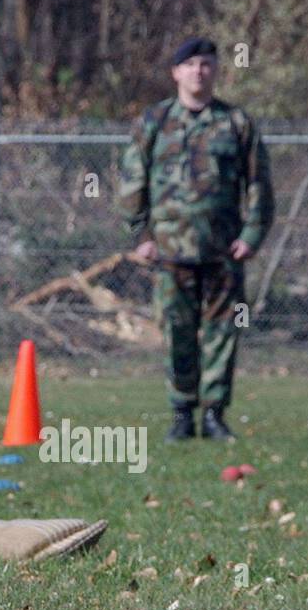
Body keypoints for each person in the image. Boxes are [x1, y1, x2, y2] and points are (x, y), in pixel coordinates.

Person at [117, 36, 274, 442]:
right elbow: (132, 182)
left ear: (215, 71)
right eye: (190, 65)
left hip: (223, 250)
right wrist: (142, 235)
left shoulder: (237, 123)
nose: (198, 72)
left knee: (223, 334)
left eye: (206, 64)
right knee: (177, 332)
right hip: (169, 250)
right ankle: (182, 413)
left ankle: (215, 415)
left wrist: (252, 235)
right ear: (176, 72)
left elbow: (258, 184)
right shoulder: (154, 123)